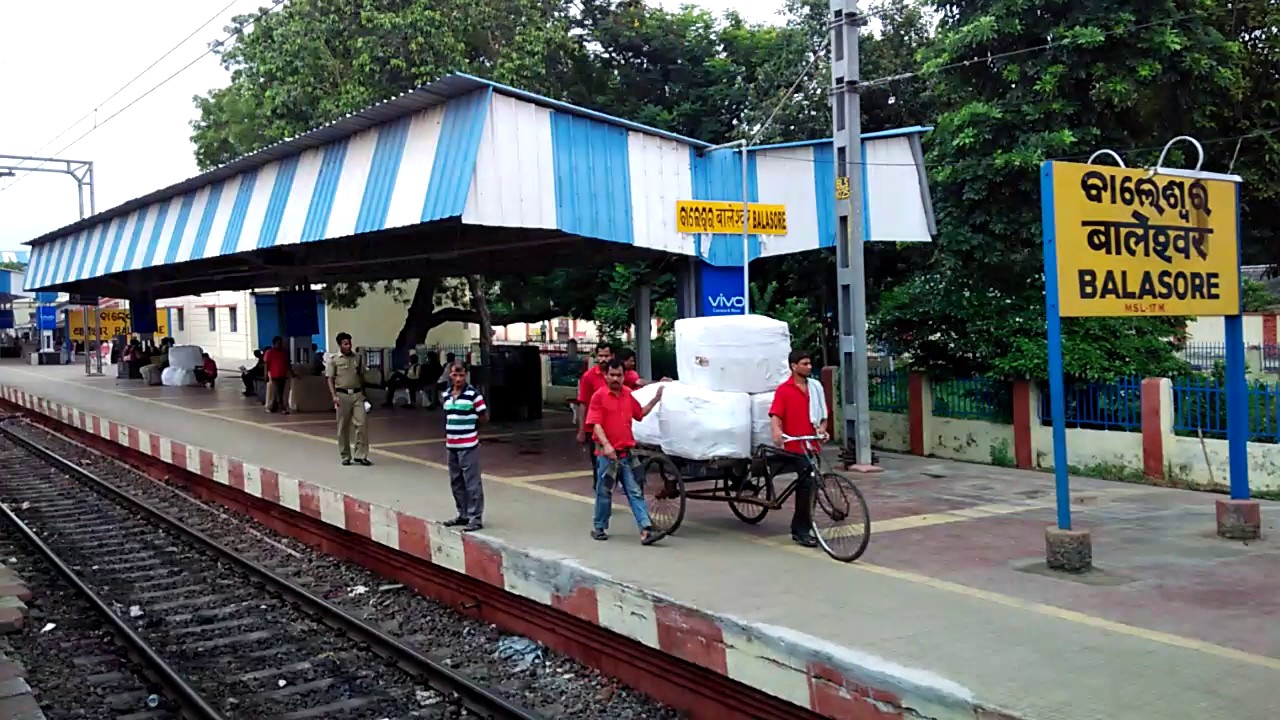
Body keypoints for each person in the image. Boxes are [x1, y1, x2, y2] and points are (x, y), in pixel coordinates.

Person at [587, 359, 663, 545]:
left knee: (635, 491)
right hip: (607, 457)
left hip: (625, 454)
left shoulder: (628, 394)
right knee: (604, 492)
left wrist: (655, 399)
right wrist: (606, 445)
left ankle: (646, 529)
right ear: (605, 376)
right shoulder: (599, 396)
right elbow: (596, 424)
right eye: (612, 375)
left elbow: (640, 413)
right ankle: (599, 527)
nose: (615, 379)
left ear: (623, 376)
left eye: (619, 375)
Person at [768, 350, 828, 549]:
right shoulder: (784, 390)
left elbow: (823, 415)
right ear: (794, 366)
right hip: (794, 445)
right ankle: (800, 530)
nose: (809, 367)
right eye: (804, 364)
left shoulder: (815, 388)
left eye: (810, 364)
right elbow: (776, 414)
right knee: (806, 485)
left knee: (812, 484)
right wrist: (777, 432)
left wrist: (822, 429)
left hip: (812, 443)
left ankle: (804, 523)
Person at [441, 361, 488, 531]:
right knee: (456, 481)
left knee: (472, 482)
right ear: (450, 376)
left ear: (466, 375)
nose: (458, 379)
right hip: (452, 445)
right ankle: (463, 514)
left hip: (468, 445)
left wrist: (472, 431)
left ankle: (475, 517)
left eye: (461, 375)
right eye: (455, 375)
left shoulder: (473, 395)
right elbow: (447, 416)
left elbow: (483, 417)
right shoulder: (446, 395)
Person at [326, 332, 372, 467]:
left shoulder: (358, 357)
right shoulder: (334, 359)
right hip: (342, 395)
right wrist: (334, 396)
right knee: (343, 427)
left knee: (362, 424)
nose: (349, 346)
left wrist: (364, 394)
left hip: (357, 395)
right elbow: (330, 379)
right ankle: (345, 455)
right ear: (340, 345)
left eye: (350, 343)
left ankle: (361, 455)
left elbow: (362, 376)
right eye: (345, 344)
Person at [575, 343, 613, 478]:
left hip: (614, 426)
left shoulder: (617, 375)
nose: (603, 359)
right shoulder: (589, 377)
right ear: (596, 356)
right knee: (598, 462)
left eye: (606, 356)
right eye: (600, 355)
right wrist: (581, 430)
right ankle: (599, 488)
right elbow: (583, 404)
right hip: (594, 429)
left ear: (612, 356)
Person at [263, 336, 292, 414]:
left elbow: (287, 364)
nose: (280, 345)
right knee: (278, 392)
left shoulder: (284, 352)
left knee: (279, 392)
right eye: (279, 343)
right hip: (274, 375)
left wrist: (291, 372)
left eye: (281, 343)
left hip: (283, 374)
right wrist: (265, 374)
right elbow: (266, 364)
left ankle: (272, 407)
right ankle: (283, 408)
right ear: (274, 344)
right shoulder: (269, 353)